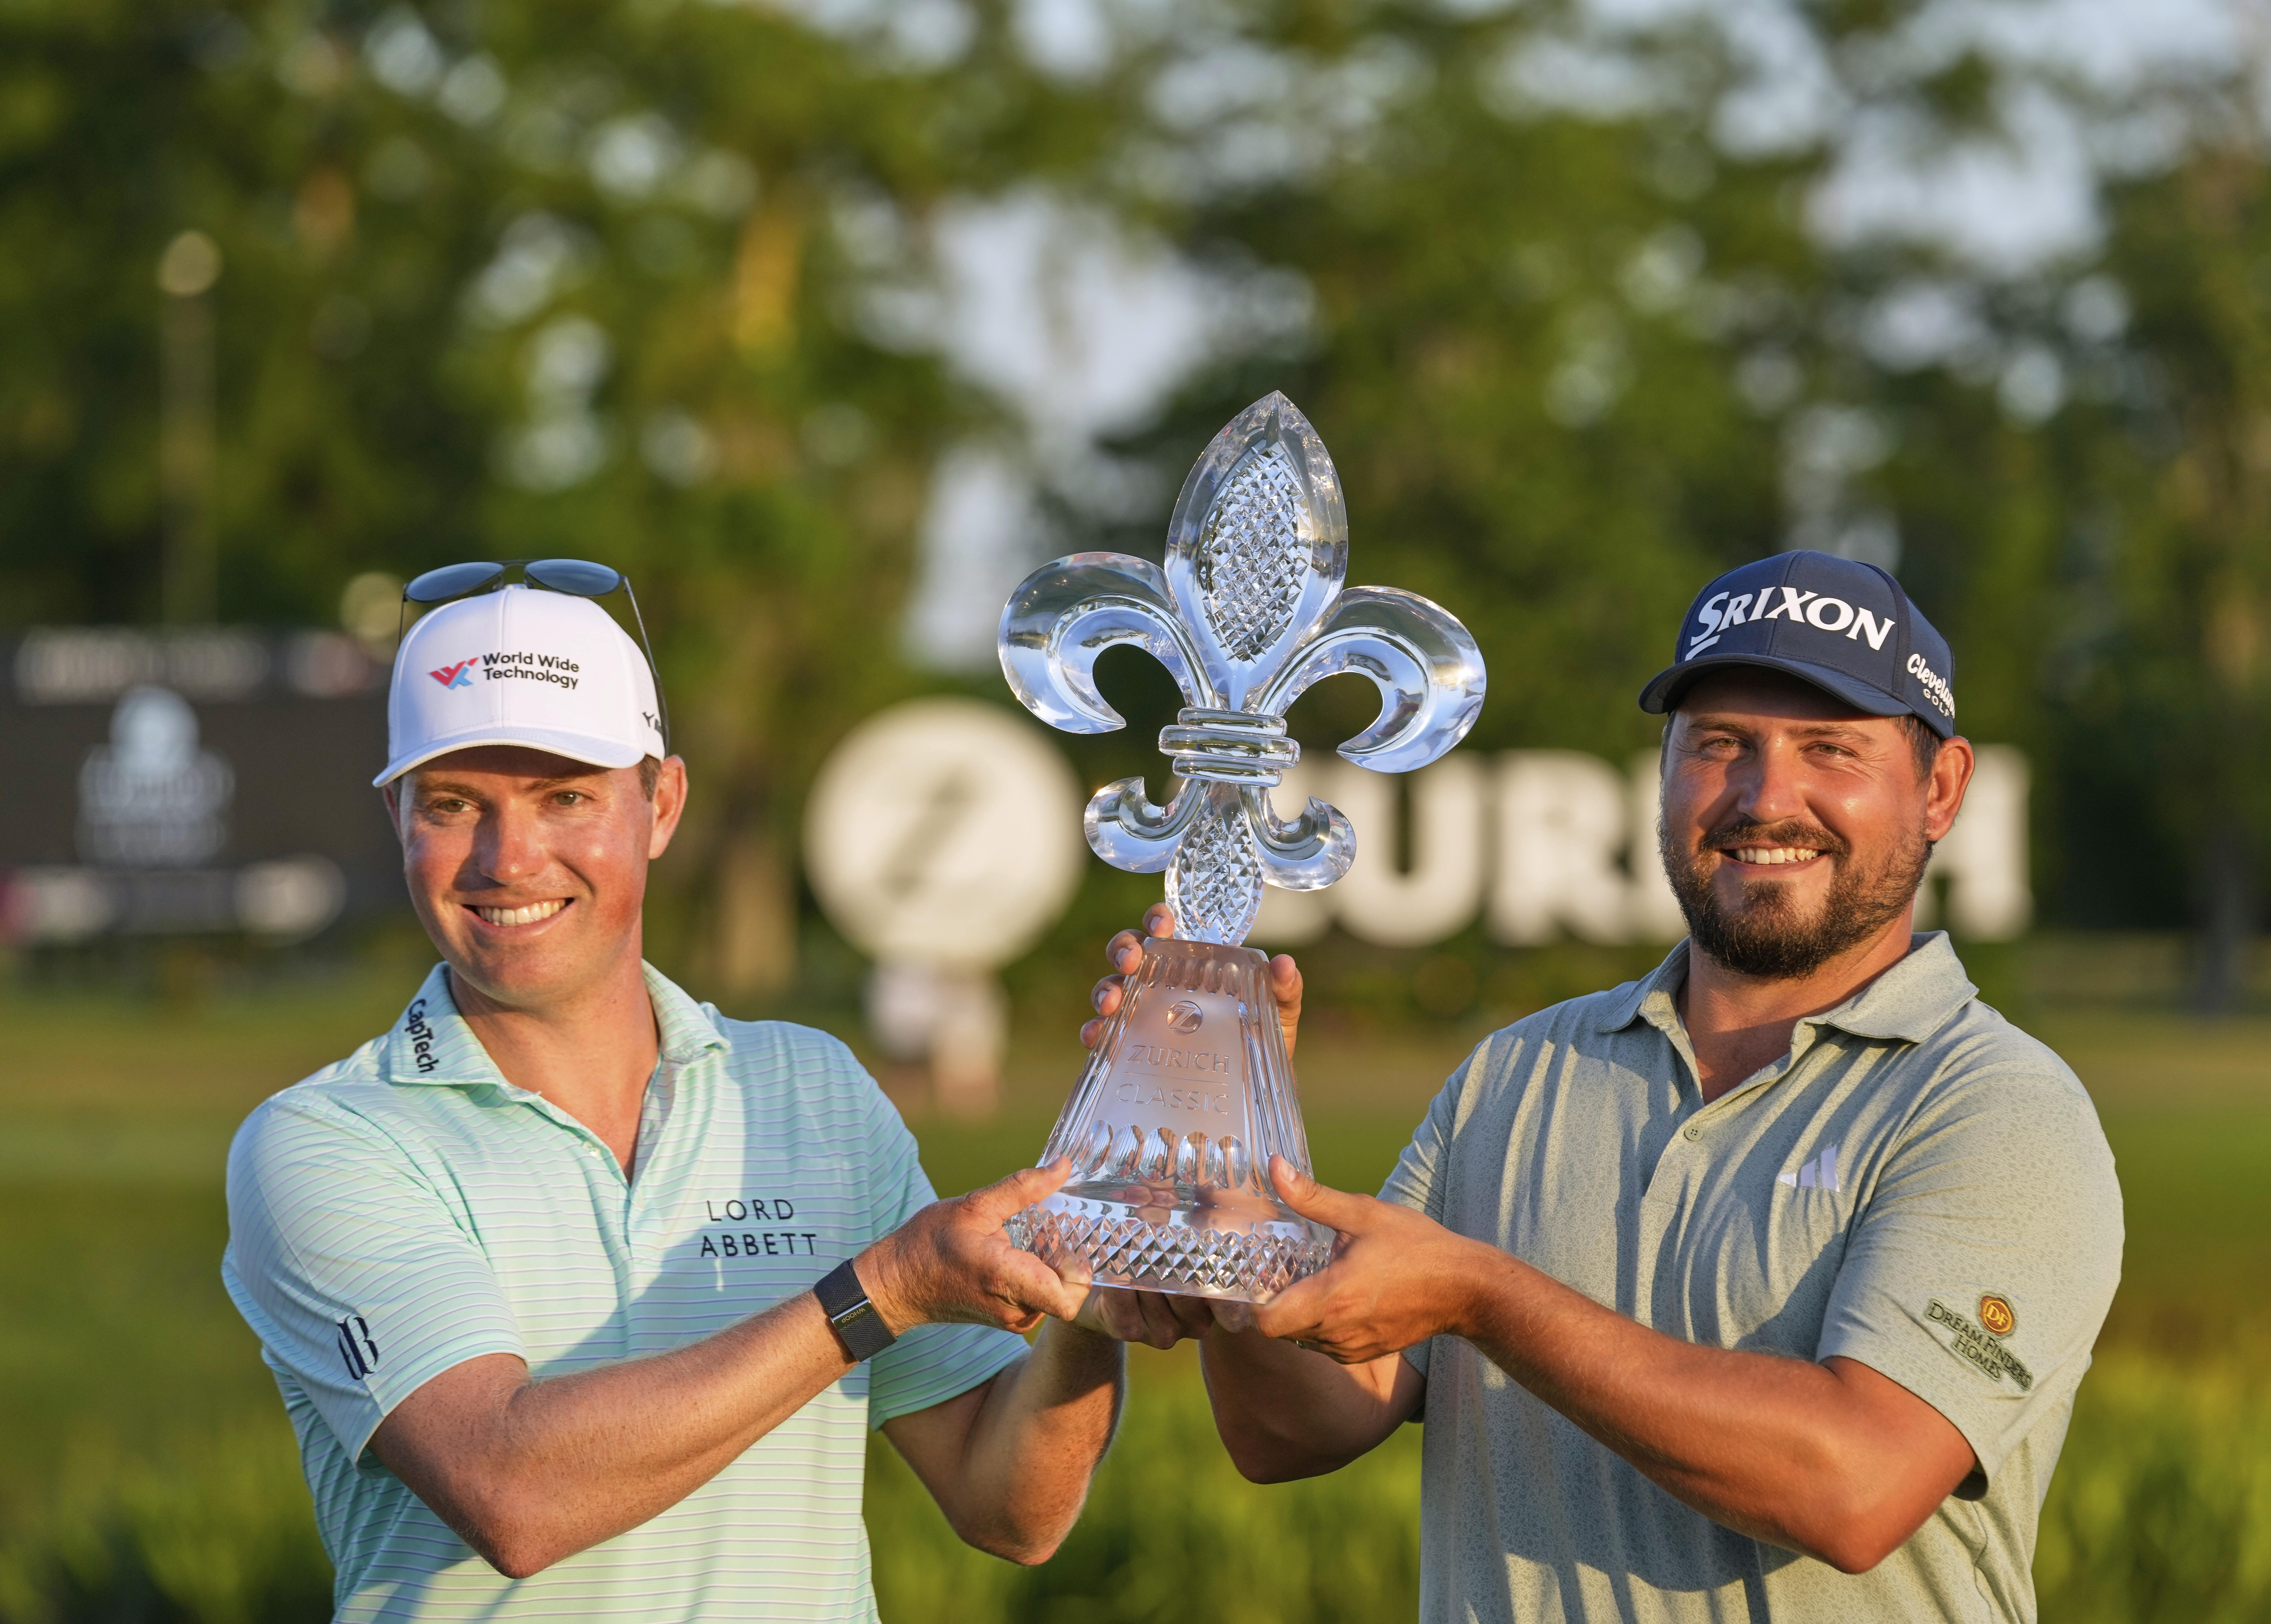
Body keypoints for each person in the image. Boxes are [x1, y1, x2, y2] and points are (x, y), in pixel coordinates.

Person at [1084, 550, 2123, 1622]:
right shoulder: (1518, 1073)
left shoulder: (1995, 1107)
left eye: (1831, 750)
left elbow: (1852, 1486)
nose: (1768, 798)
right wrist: (1234, 1158)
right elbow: (1293, 1432)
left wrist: (1485, 1296)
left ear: (1941, 787)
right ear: (1667, 770)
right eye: (1721, 744)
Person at [223, 568, 1116, 1624]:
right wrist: (877, 1293)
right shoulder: (328, 1140)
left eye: (566, 797)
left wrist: (1095, 1285)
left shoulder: (813, 1090)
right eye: (456, 804)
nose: (510, 860)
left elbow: (1008, 1507)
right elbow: (511, 1494)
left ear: (662, 805)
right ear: (397, 816)